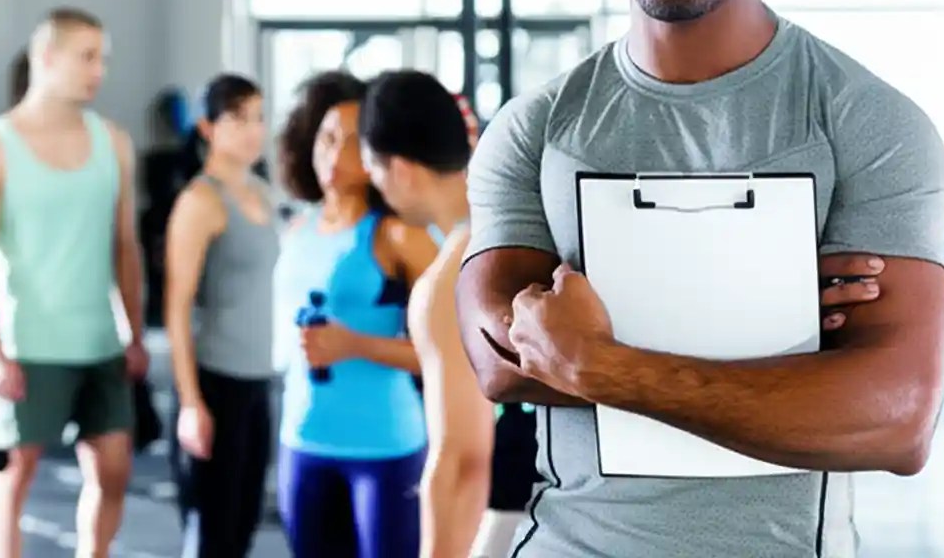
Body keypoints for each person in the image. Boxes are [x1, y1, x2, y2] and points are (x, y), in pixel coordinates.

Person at [457, 0, 944, 556]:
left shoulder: (866, 122)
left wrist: (601, 363)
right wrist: (777, 330)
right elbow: (500, 362)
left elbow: (897, 421)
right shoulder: (536, 129)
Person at [359, 71, 890, 557]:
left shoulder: (453, 279)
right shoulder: (571, 230)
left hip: (527, 519)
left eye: (372, 171)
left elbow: (460, 464)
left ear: (400, 171)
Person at [0, 8, 150, 558]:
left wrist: (133, 333)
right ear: (46, 58)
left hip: (99, 342)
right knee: (14, 474)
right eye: (86, 57)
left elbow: (124, 246)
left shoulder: (113, 142)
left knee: (113, 467)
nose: (99, 71)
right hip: (29, 345)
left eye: (103, 59)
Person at [273, 71, 437, 558]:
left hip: (383, 447)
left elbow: (451, 353)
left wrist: (356, 344)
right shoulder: (297, 229)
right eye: (325, 139)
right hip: (302, 440)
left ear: (372, 157)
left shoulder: (397, 237)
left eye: (350, 142)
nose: (333, 154)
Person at [164, 74, 279, 557]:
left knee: (243, 527)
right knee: (211, 535)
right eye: (237, 119)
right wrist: (191, 403)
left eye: (257, 117)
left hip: (259, 382)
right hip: (213, 383)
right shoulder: (200, 200)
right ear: (208, 127)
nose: (252, 130)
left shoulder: (264, 193)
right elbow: (176, 307)